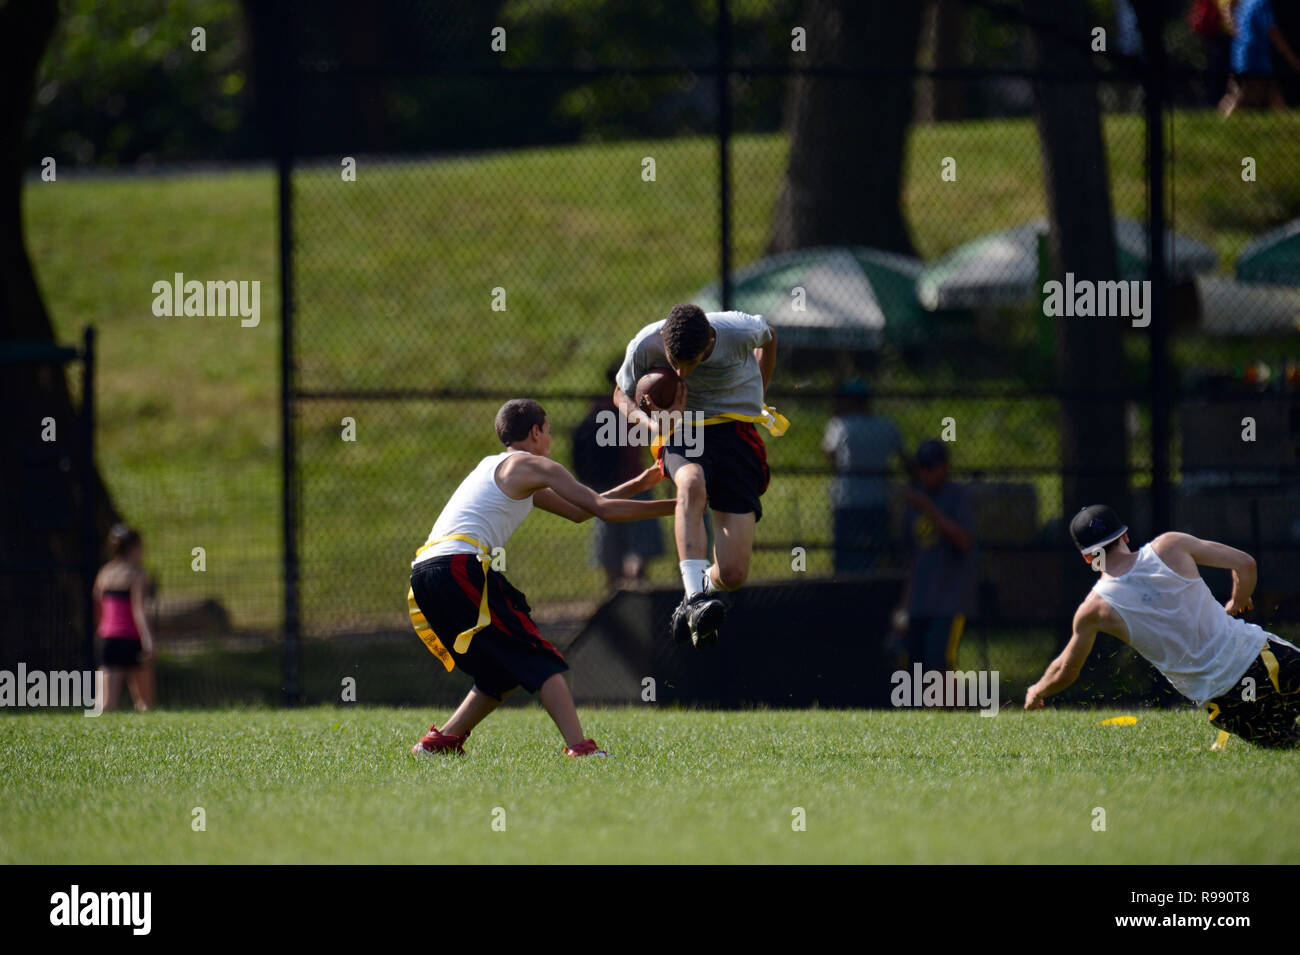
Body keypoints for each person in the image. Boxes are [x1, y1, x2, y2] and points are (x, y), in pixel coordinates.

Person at [407, 398, 675, 759]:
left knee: (499, 674)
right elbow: (601, 509)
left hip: (426, 573)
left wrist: (642, 481)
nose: (549, 439)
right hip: (458, 567)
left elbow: (582, 512)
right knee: (540, 656)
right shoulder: (535, 466)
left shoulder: (497, 467)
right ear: (535, 432)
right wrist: (680, 505)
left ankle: (441, 742)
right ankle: (580, 748)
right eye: (548, 431)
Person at [1026, 505, 1300, 748]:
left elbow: (1067, 670)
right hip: (1262, 656)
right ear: (1125, 536)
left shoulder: (1095, 609)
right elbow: (1245, 563)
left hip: (1229, 700)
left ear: (1087, 557)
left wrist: (1037, 690)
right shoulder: (1170, 545)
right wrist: (1239, 599)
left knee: (1291, 744)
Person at [613, 304, 785, 648]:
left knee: (733, 574)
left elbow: (769, 337)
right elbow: (621, 394)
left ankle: (700, 586)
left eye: (688, 363)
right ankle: (694, 598)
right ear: (664, 339)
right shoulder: (646, 343)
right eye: (672, 360)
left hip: (735, 432)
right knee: (690, 483)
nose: (678, 371)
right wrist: (653, 424)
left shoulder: (737, 330)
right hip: (684, 430)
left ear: (709, 342)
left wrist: (758, 394)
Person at [572, 363, 665, 589]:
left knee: (611, 549)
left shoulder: (597, 408)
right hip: (636, 483)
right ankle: (635, 591)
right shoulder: (633, 409)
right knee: (640, 548)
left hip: (606, 488)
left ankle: (615, 594)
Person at [895, 439, 976, 674]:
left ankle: (951, 710)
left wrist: (929, 508)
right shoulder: (913, 504)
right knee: (914, 665)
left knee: (940, 663)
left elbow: (964, 542)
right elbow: (912, 560)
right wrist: (903, 605)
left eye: (932, 466)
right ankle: (927, 710)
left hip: (949, 601)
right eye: (921, 466)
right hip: (919, 601)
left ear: (945, 466)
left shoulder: (957, 497)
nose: (926, 473)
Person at [821, 378, 906, 574]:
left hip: (847, 500)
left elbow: (829, 453)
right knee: (876, 555)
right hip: (878, 498)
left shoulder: (839, 425)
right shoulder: (886, 425)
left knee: (846, 556)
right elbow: (903, 458)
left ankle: (846, 590)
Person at [93, 524, 156, 711]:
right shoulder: (137, 574)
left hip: (107, 638)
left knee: (105, 703)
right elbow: (139, 610)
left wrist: (100, 633)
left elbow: (97, 607)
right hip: (131, 638)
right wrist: (148, 640)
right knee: (144, 703)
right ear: (134, 547)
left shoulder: (105, 573)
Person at [1218, 0, 1300, 115]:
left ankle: (1285, 122)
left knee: (1271, 90)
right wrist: (1291, 58)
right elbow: (1272, 30)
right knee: (1245, 93)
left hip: (1242, 54)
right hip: (1254, 57)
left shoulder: (1247, 2)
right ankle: (1225, 122)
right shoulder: (1263, 3)